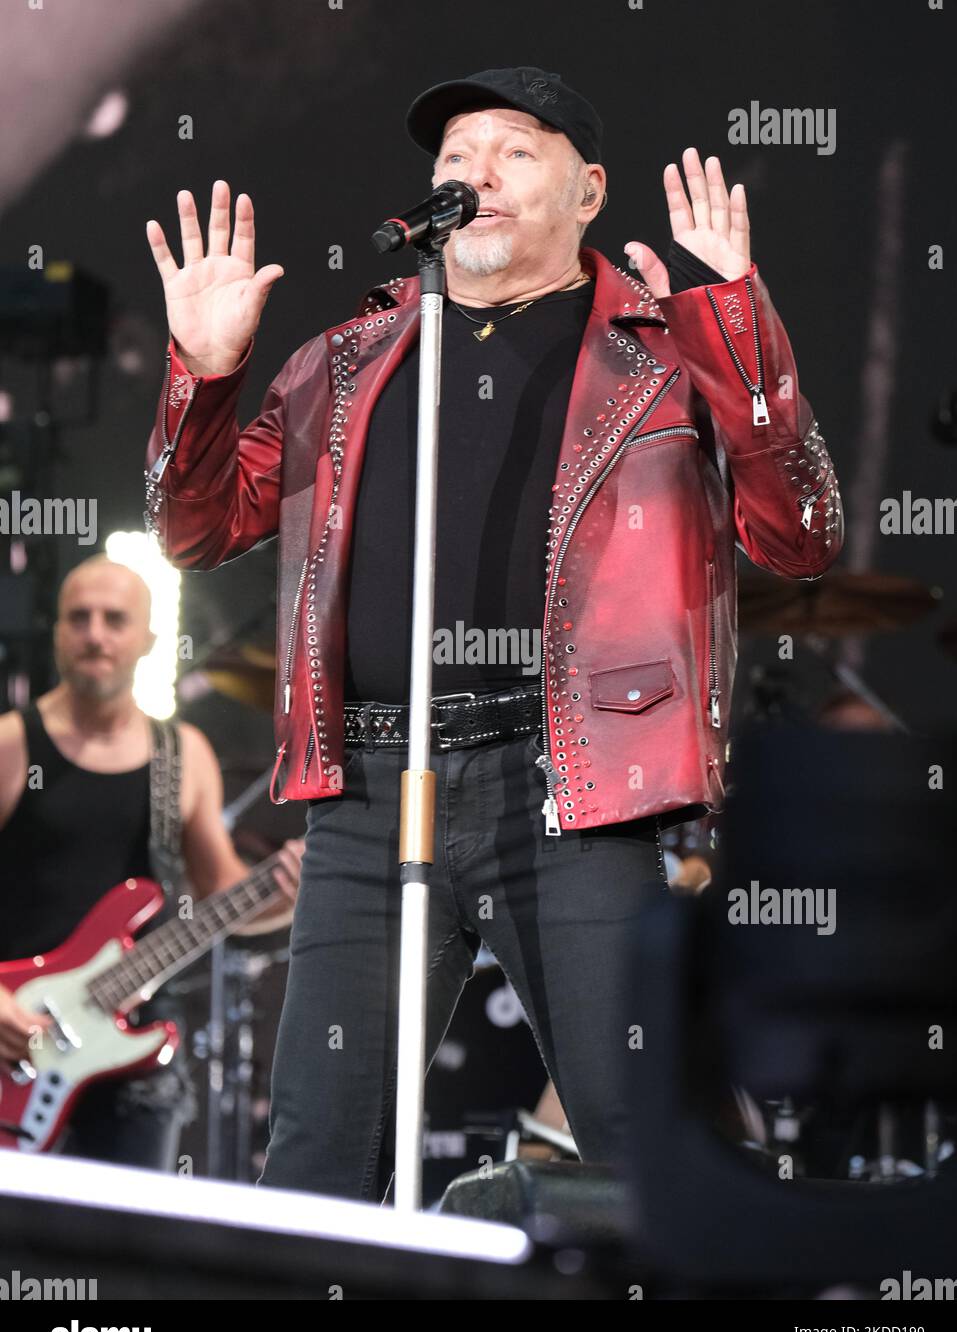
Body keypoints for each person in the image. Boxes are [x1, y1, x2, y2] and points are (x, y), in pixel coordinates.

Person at [143, 66, 843, 1200]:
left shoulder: (665, 352)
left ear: (589, 191)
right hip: (375, 783)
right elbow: (198, 529)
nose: (476, 172)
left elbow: (802, 535)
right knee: (316, 1159)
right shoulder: (348, 359)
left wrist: (735, 324)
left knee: (643, 1142)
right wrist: (204, 379)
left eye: (514, 149)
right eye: (456, 157)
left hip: (570, 783)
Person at [0, 555, 303, 1169]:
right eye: (78, 618)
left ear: (149, 639)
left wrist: (292, 892)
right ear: (56, 631)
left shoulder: (181, 753)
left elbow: (226, 897)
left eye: (115, 619)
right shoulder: (12, 743)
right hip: (15, 1039)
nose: (95, 634)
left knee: (124, 1253)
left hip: (136, 1059)